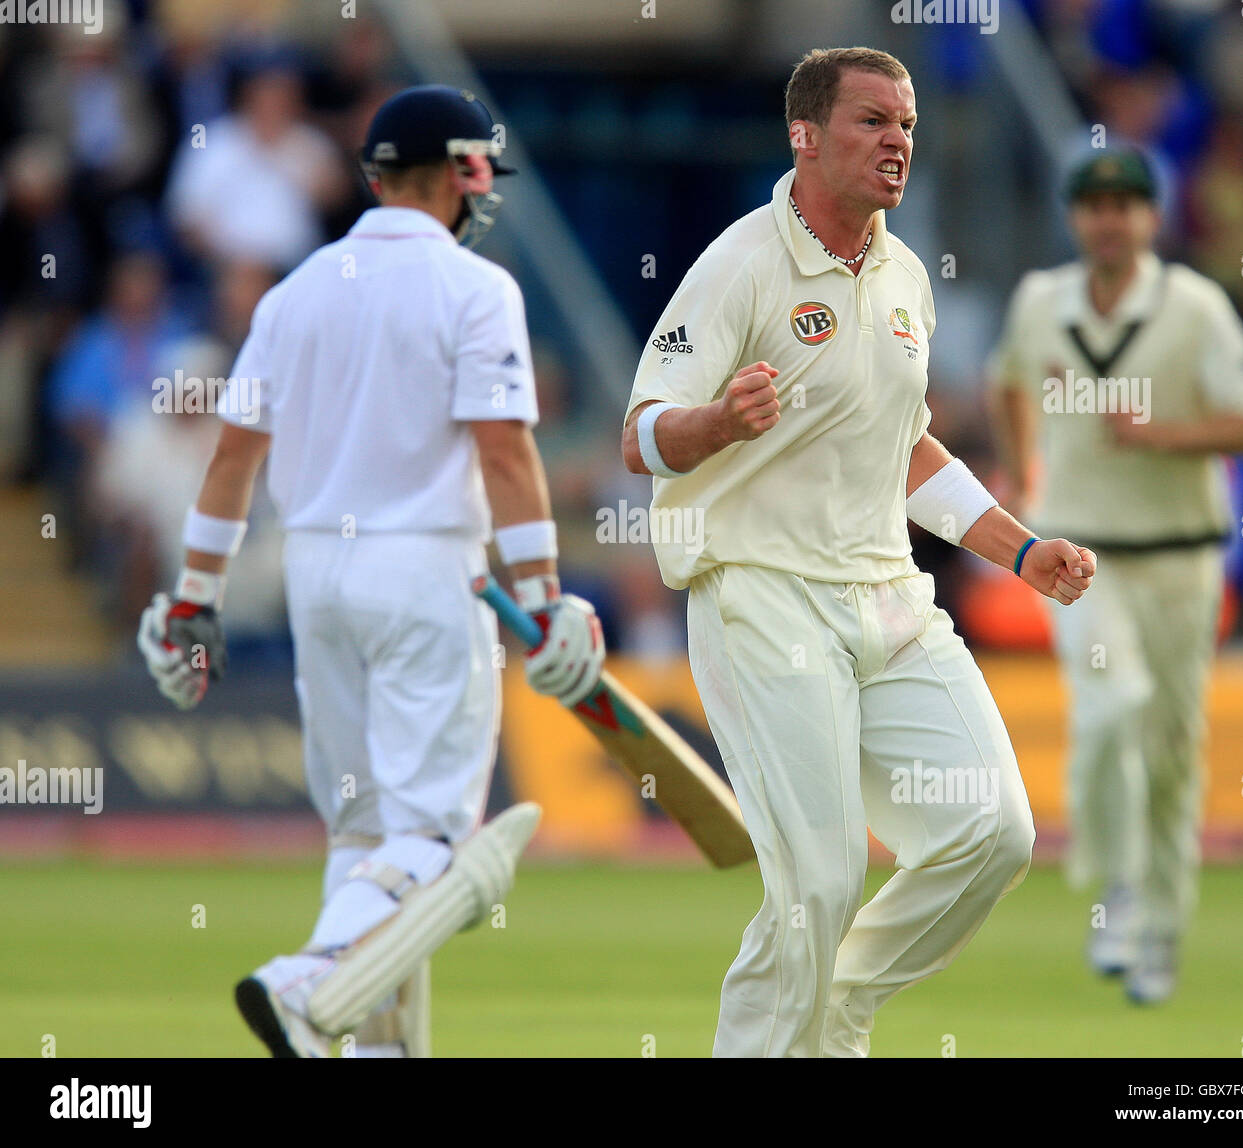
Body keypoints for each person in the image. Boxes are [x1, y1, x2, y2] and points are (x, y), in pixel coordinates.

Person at [621, 47, 1096, 1058]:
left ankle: (836, 1009)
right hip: (761, 593)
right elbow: (640, 433)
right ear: (804, 134)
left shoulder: (903, 272)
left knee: (991, 833)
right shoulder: (740, 262)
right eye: (872, 122)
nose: (897, 144)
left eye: (908, 125)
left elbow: (907, 446)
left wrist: (1019, 549)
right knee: (819, 879)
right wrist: (712, 422)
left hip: (887, 594)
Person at [137, 85, 606, 1056]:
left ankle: (373, 1049)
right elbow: (506, 454)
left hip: (316, 575)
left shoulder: (294, 288)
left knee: (364, 835)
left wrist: (195, 596)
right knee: (432, 843)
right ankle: (307, 981)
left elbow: (232, 459)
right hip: (426, 571)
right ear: (461, 174)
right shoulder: (477, 290)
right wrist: (545, 598)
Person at [987, 147, 1243, 1003]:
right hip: (1082, 553)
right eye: (1093, 204)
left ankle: (1161, 930)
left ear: (1152, 218)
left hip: (1181, 553)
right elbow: (1006, 381)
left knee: (1168, 748)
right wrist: (1018, 475)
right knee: (1111, 705)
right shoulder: (1042, 302)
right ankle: (1116, 889)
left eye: (1125, 204)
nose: (1108, 219)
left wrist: (1162, 436)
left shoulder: (1192, 307)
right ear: (1075, 218)